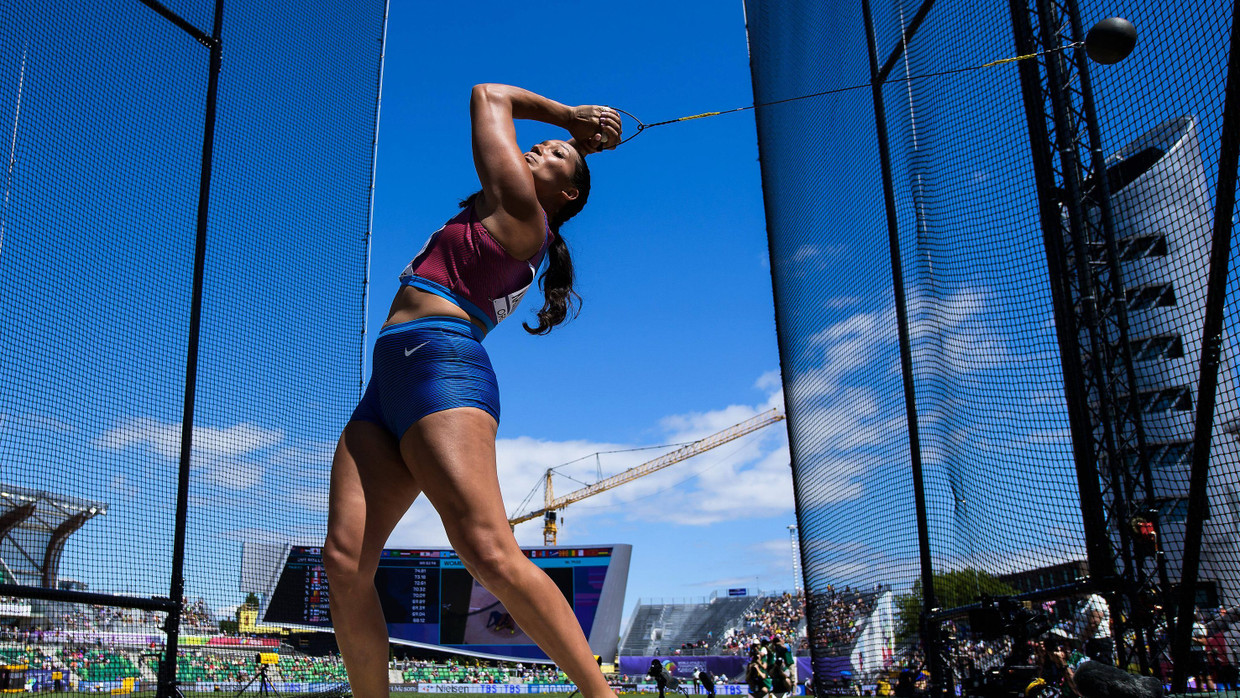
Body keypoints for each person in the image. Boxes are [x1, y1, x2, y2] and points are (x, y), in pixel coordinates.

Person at [321, 83, 621, 698]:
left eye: (559, 155)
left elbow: (489, 96)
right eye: (547, 144)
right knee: (345, 563)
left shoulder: (523, 212)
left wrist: (568, 115)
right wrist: (575, 133)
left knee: (486, 548)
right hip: (390, 381)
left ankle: (603, 695)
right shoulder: (501, 207)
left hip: (442, 366)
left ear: (564, 197)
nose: (543, 145)